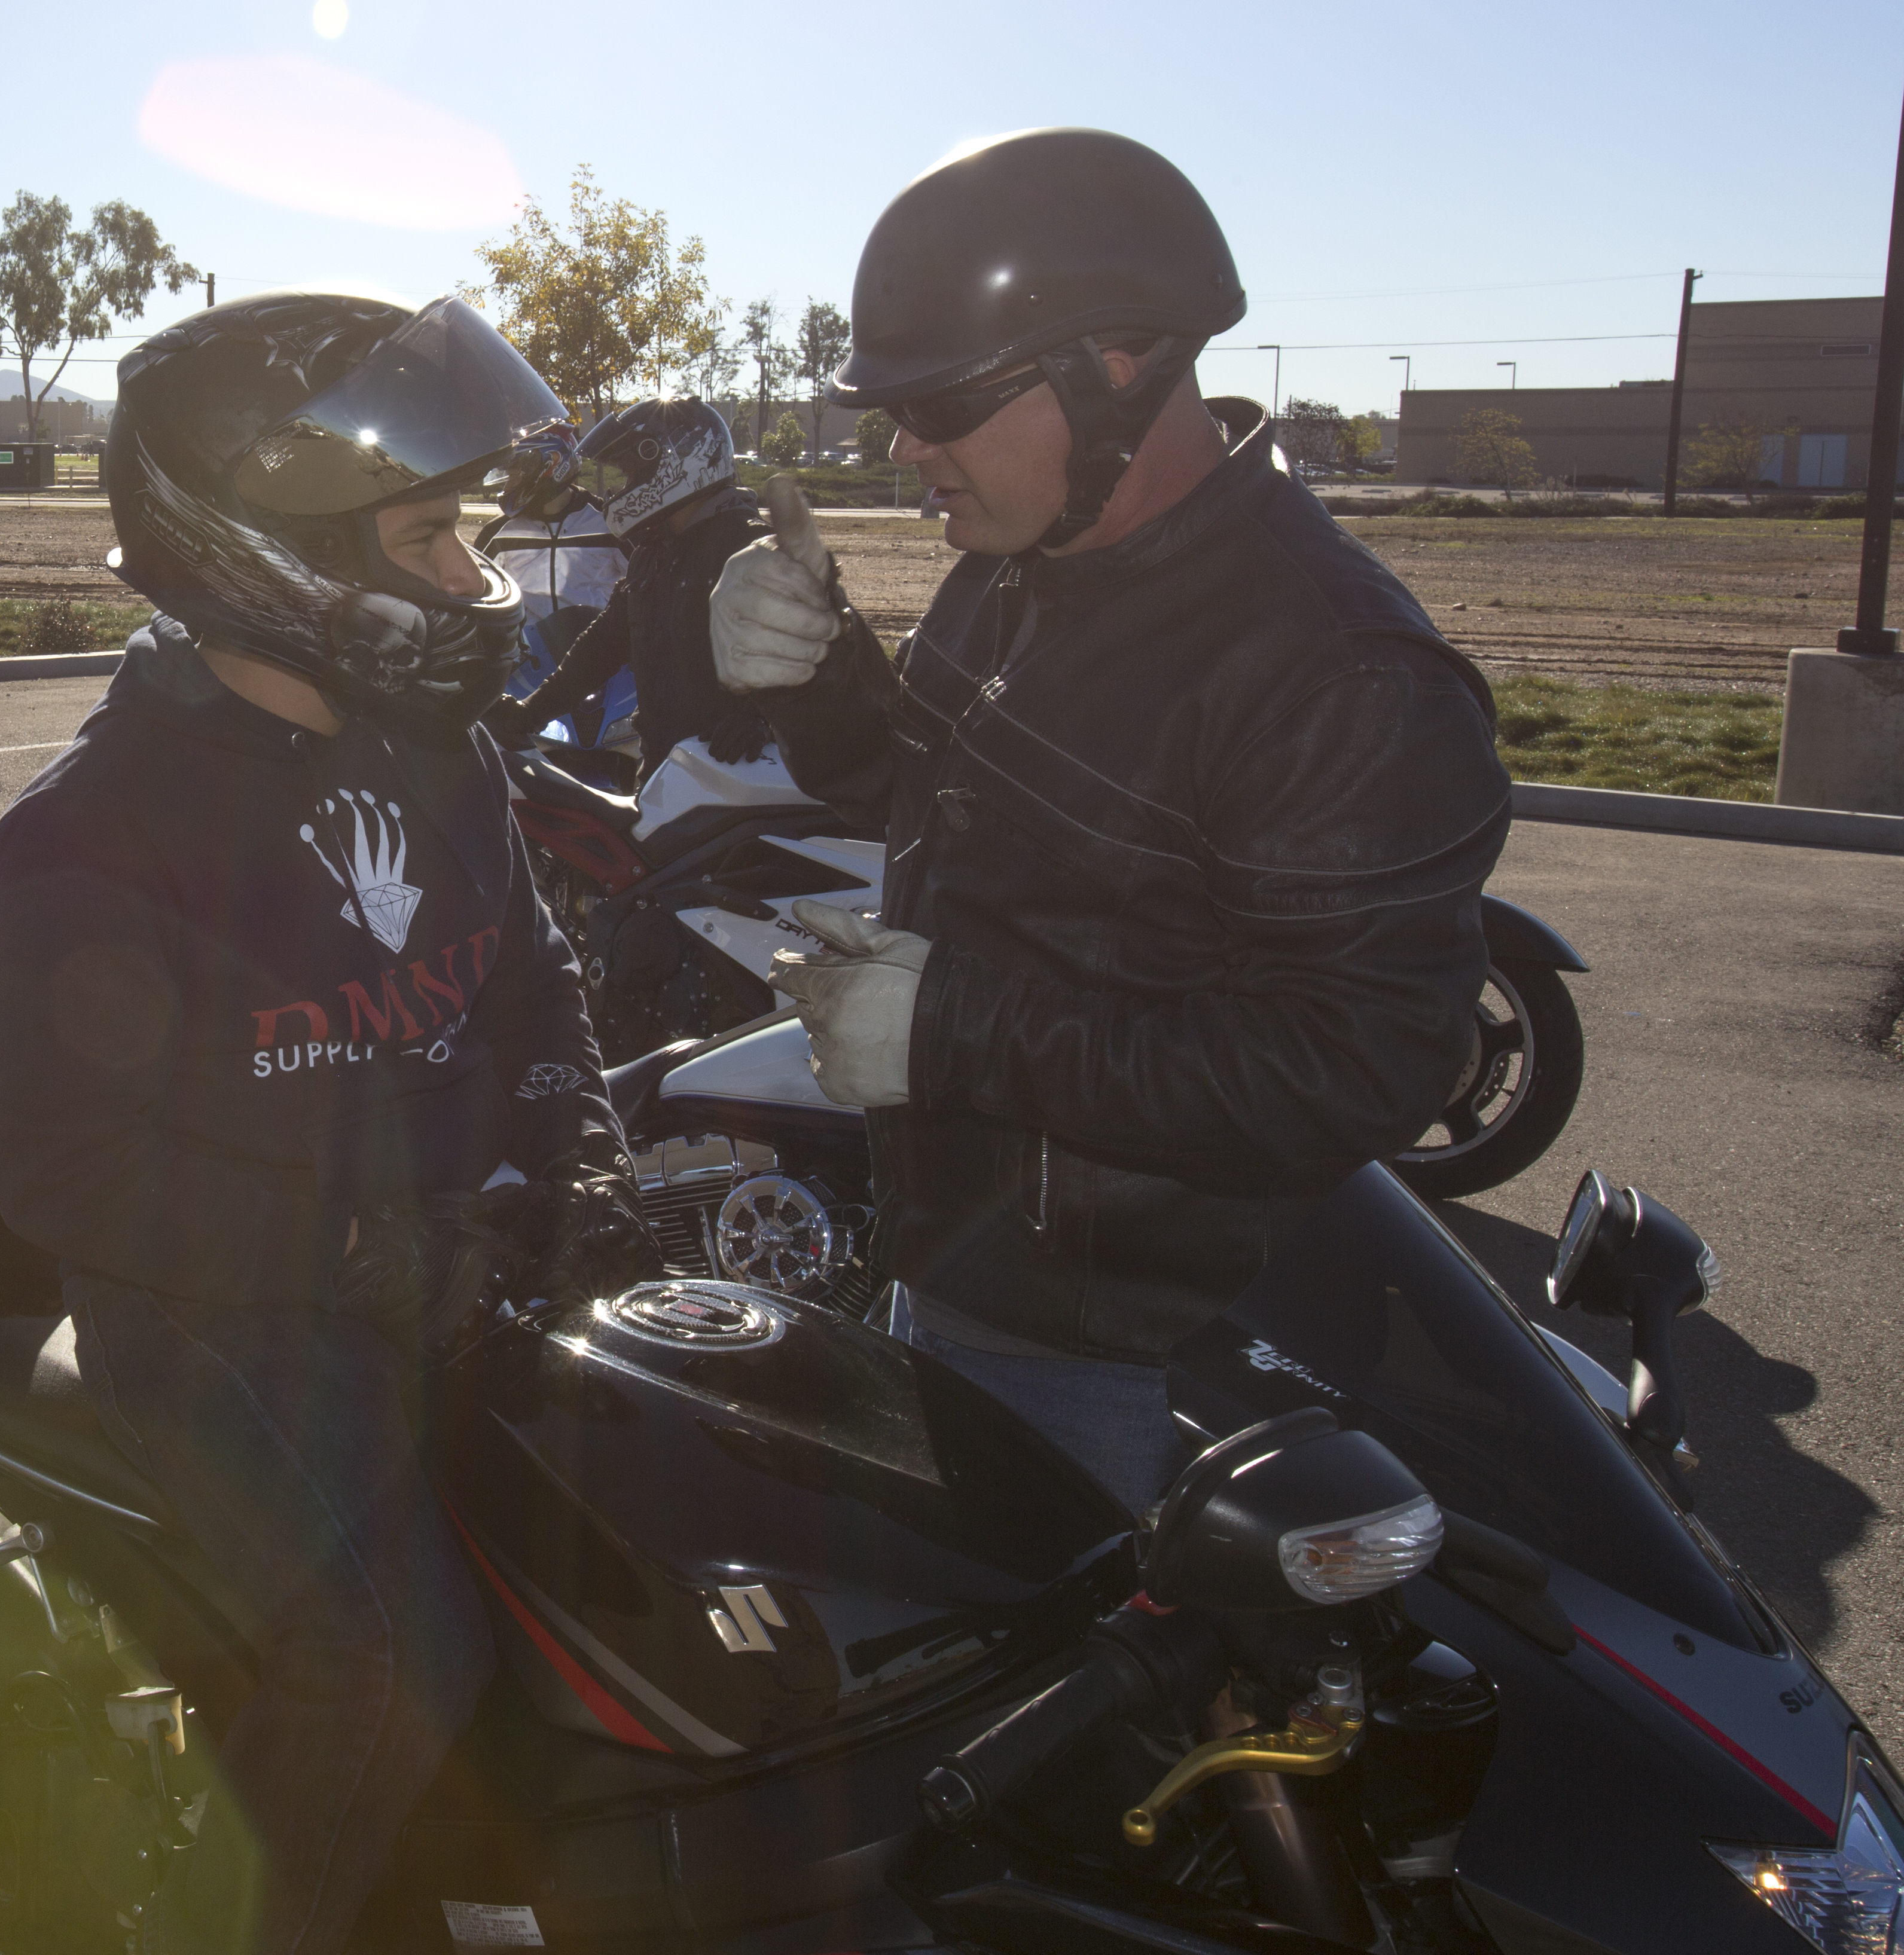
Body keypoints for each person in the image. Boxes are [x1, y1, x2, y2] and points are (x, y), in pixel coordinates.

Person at [0, 291, 656, 1955]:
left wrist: (582, 1154)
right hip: (220, 1313)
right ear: (267, 552)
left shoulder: (444, 747)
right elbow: (68, 1169)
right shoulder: (94, 831)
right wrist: (350, 1247)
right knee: (400, 1648)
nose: (466, 576)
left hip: (447, 1253)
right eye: (428, 535)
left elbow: (527, 982)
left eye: (469, 532)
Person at [708, 129, 1511, 1507]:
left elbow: (1355, 1069)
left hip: (1126, 1355)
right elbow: (941, 803)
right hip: (959, 1258)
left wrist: (953, 1029)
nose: (906, 447)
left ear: (1117, 365)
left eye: (940, 404)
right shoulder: (1025, 567)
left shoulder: (1334, 670)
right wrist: (820, 678)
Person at [489, 397, 775, 771]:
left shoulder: (751, 549)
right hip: (666, 764)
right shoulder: (657, 551)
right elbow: (605, 641)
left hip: (737, 773)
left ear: (673, 466)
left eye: (632, 474)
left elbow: (816, 657)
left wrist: (764, 718)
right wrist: (533, 712)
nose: (623, 490)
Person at [471, 419, 624, 720]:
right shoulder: (497, 534)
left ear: (549, 467)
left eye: (515, 475)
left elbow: (643, 590)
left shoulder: (610, 522)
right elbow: (475, 604)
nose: (508, 485)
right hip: (527, 668)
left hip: (603, 665)